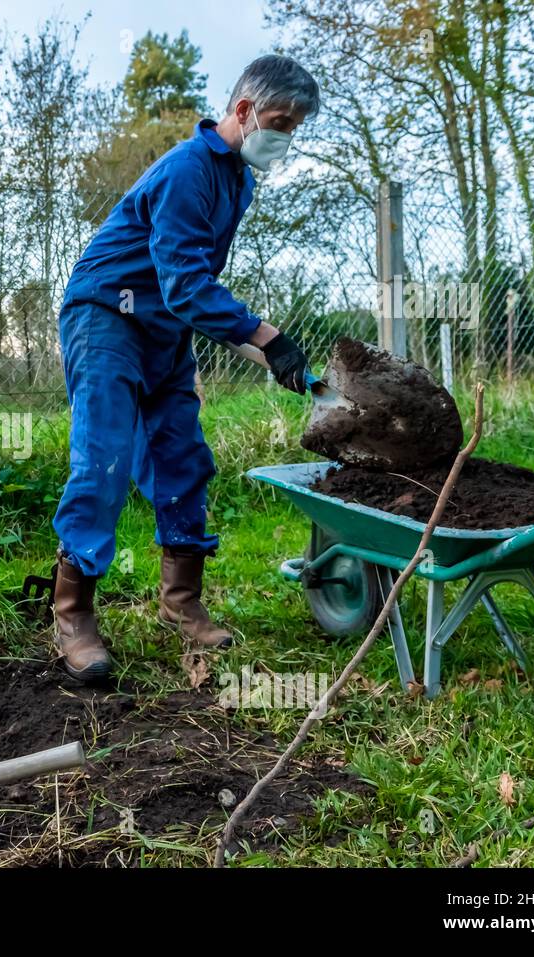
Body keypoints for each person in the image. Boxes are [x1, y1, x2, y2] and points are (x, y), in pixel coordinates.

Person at [51, 54, 321, 681]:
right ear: (245, 109)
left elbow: (189, 294)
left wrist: (272, 356)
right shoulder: (187, 170)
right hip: (105, 315)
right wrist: (265, 333)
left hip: (164, 327)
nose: (285, 136)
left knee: (182, 456)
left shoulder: (238, 181)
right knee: (106, 459)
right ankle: (72, 613)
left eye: (295, 127)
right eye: (280, 120)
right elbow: (186, 284)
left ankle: (181, 600)